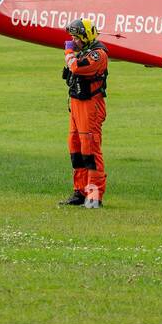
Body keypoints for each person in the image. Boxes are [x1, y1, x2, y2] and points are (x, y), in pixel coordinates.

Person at [60, 18, 109, 207]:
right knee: (76, 150)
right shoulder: (86, 51)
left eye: (76, 38)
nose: (73, 41)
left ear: (86, 37)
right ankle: (80, 193)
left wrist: (69, 50)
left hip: (90, 108)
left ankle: (94, 197)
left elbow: (75, 66)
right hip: (77, 106)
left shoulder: (98, 55)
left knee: (90, 151)